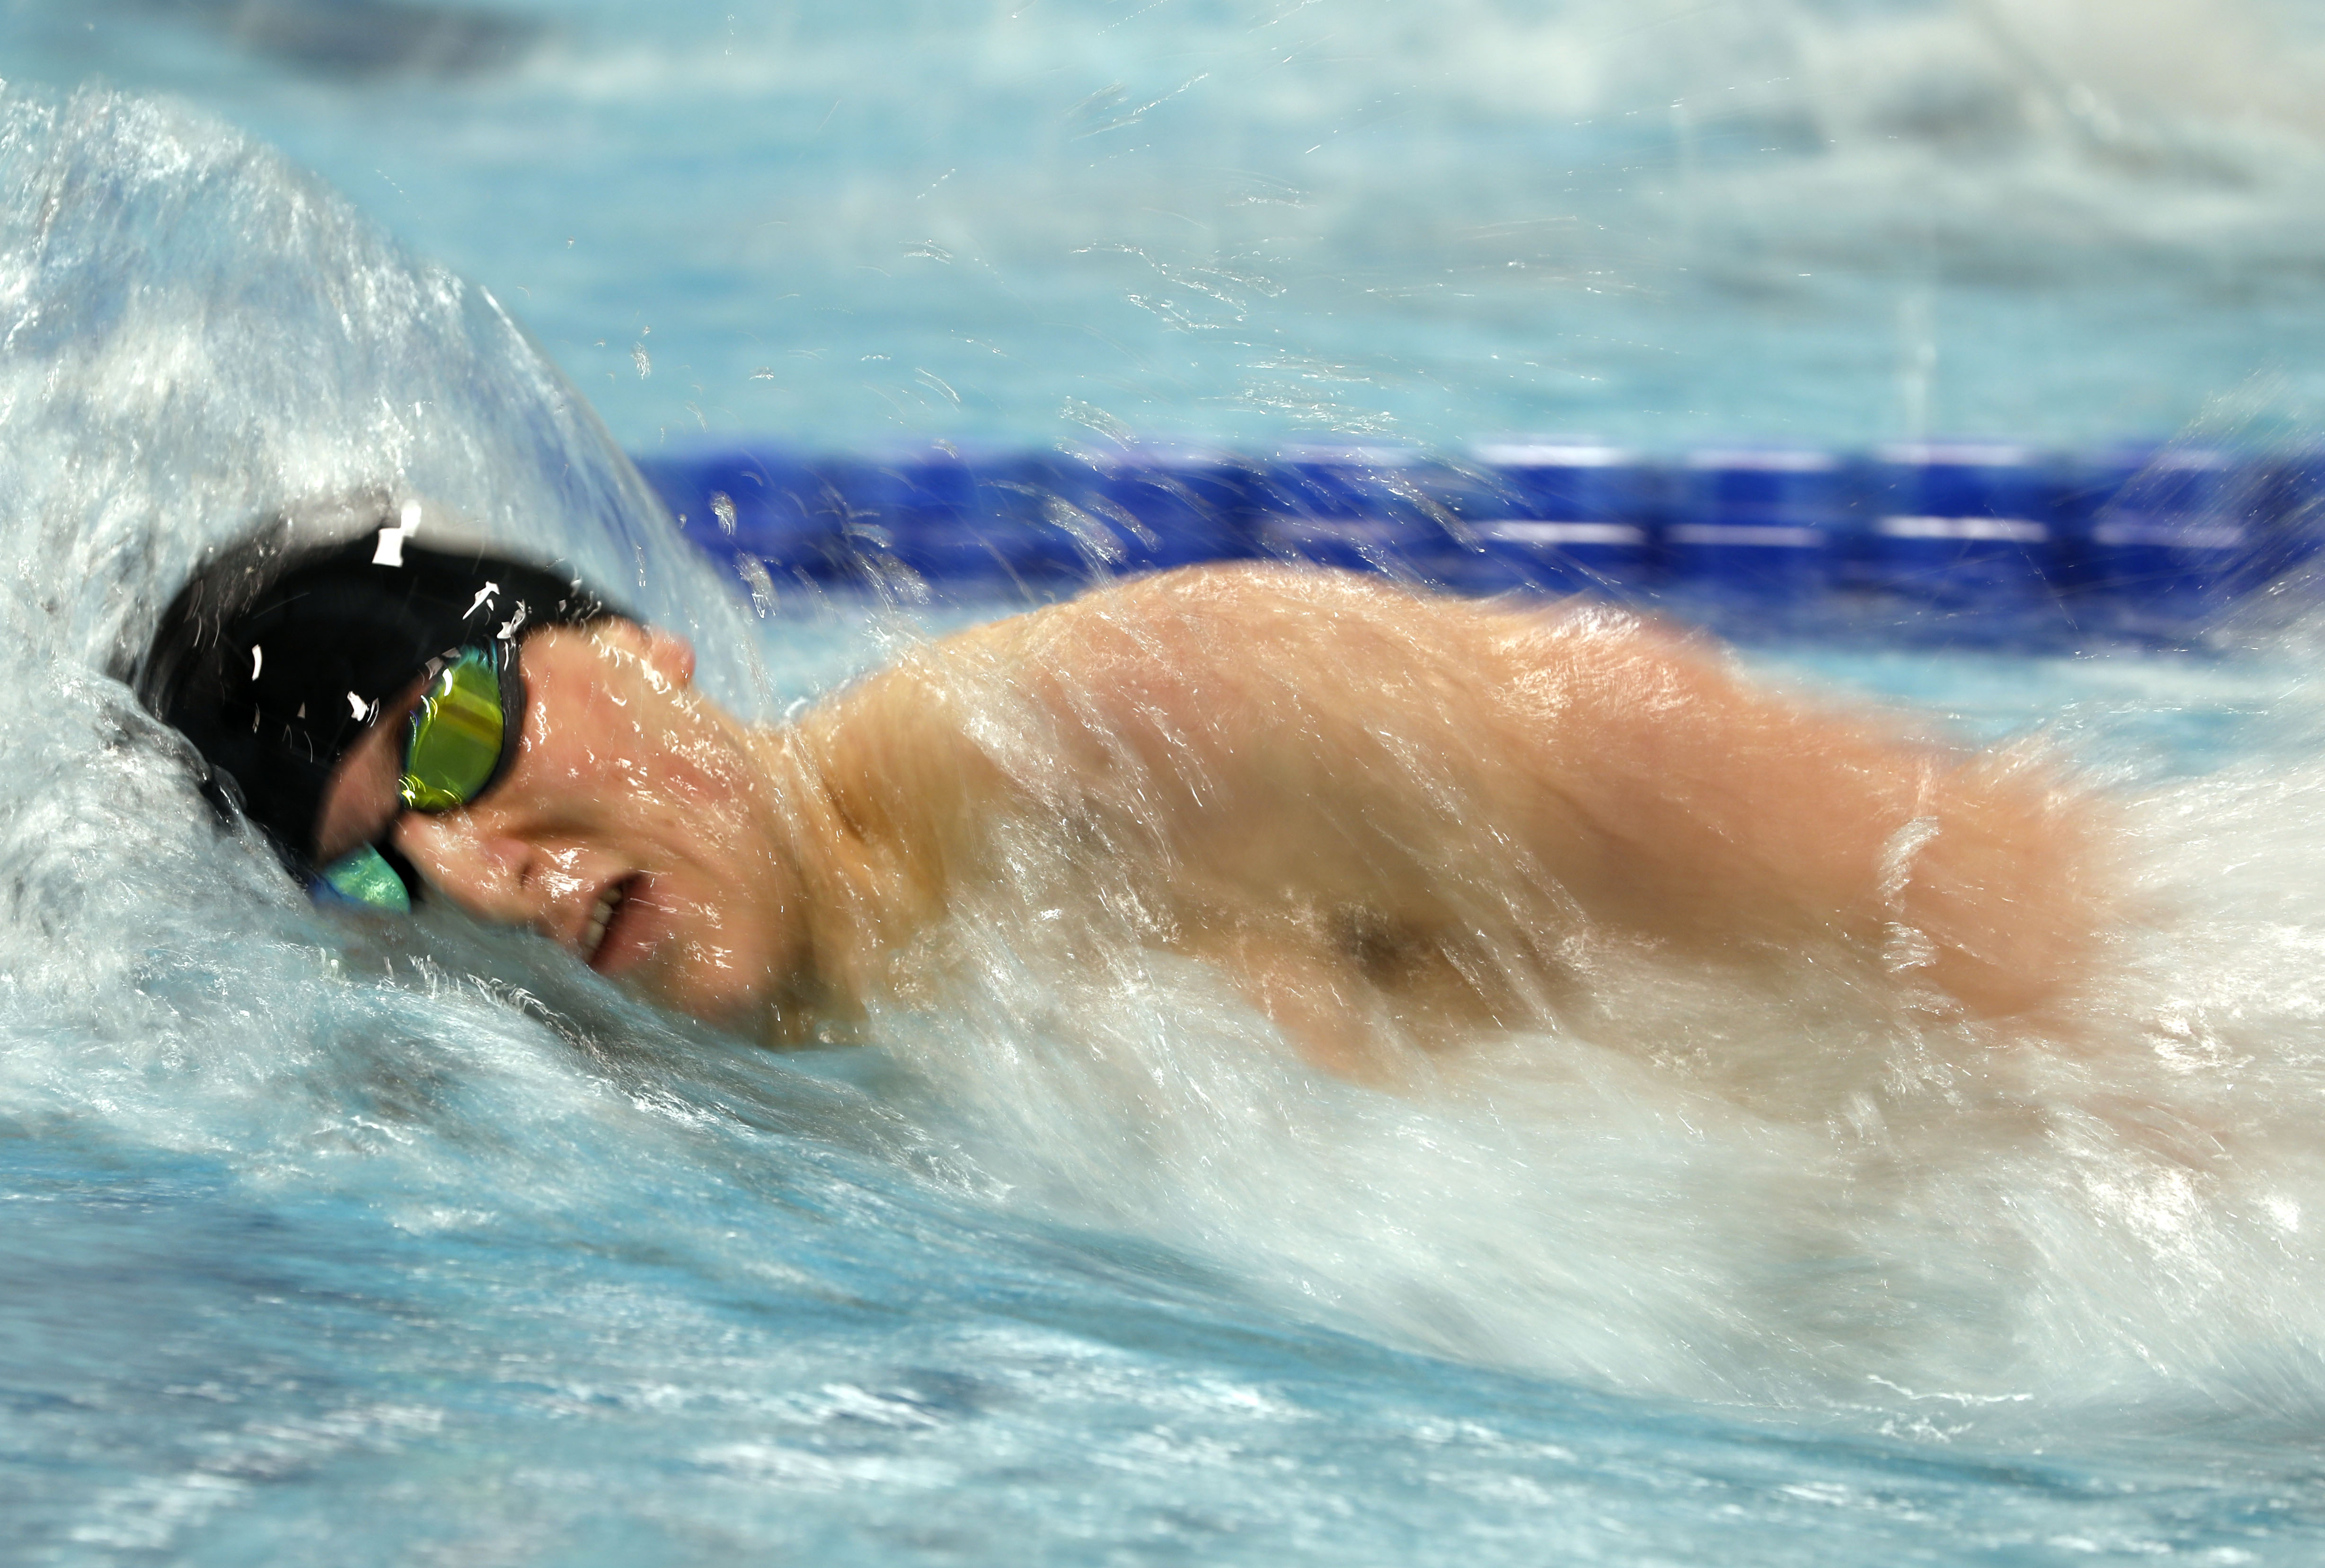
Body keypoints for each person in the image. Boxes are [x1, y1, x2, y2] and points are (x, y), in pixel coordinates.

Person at [137, 502, 2111, 1080]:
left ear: (643, 647)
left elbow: (1962, 884)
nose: (480, 876)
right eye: (383, 881)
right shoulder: (676, 1092)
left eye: (459, 740)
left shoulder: (1132, 739)